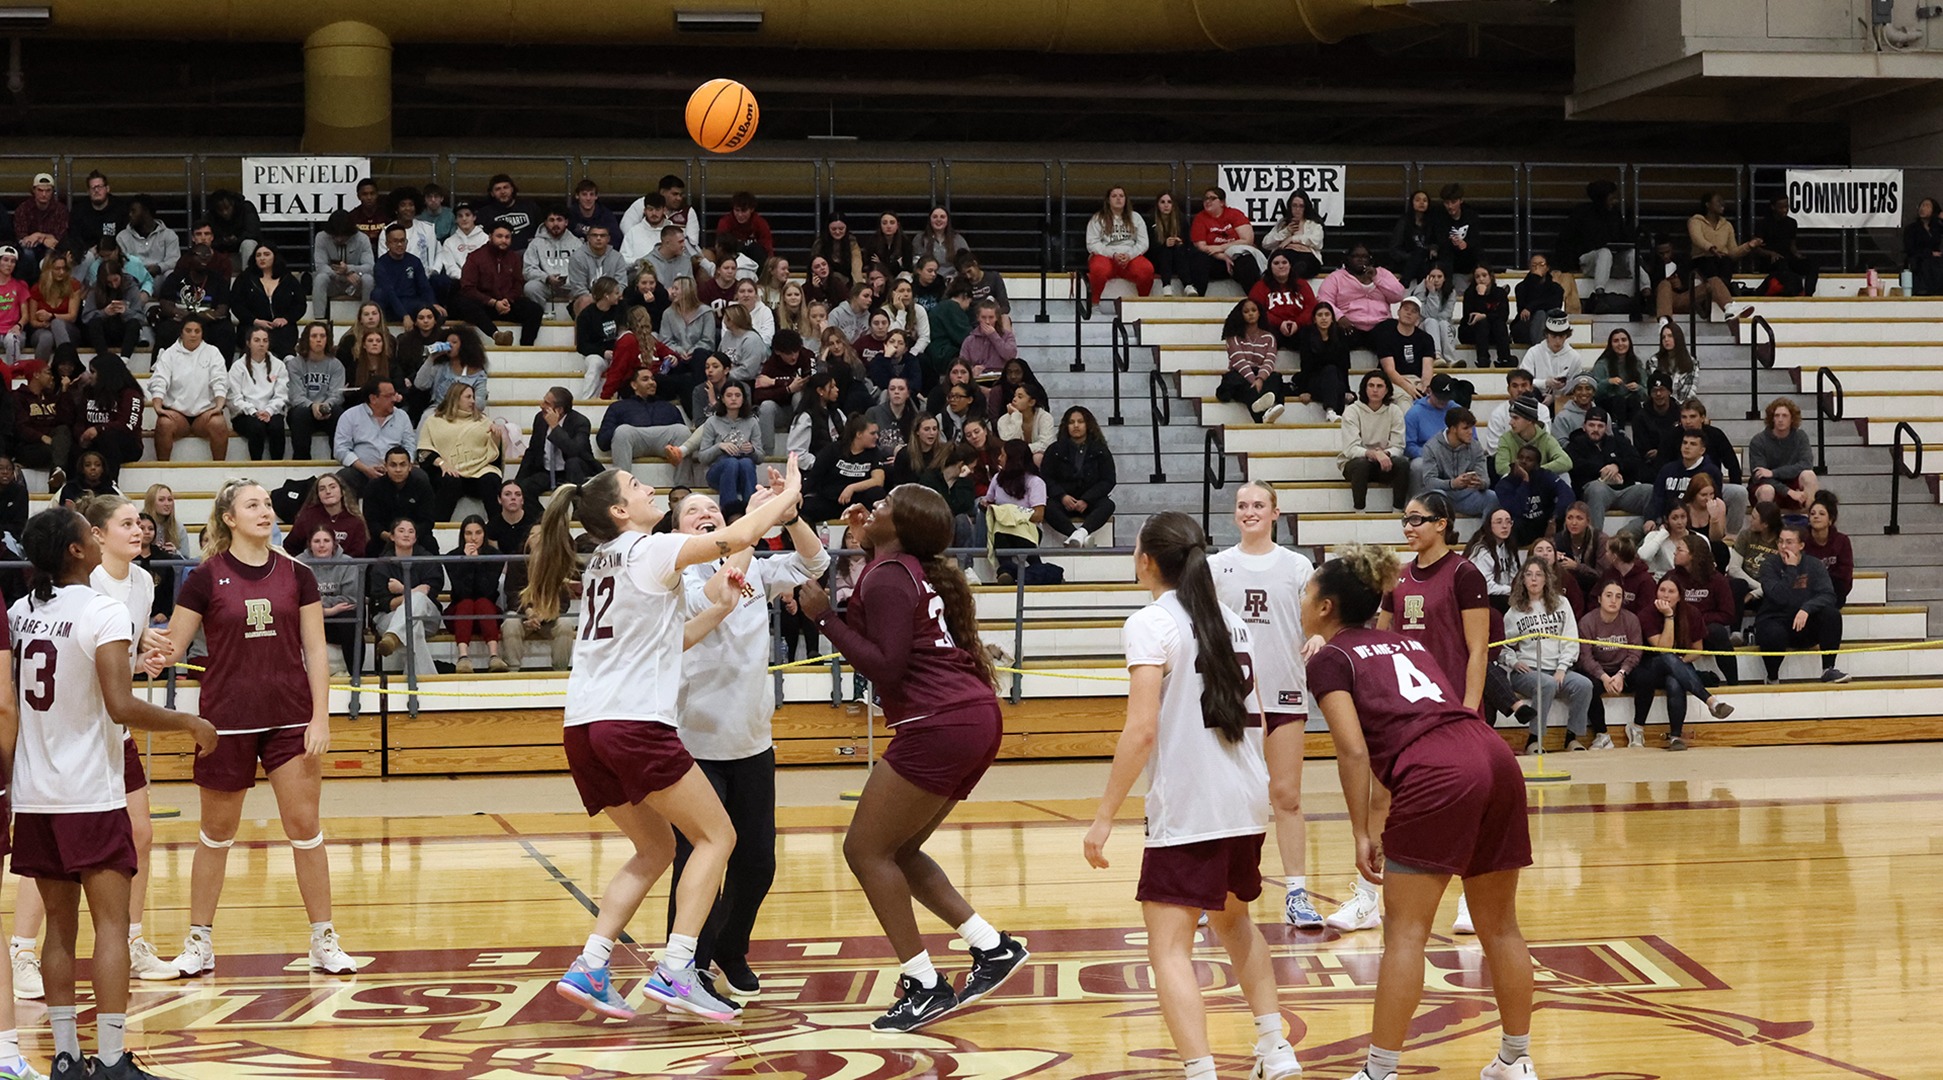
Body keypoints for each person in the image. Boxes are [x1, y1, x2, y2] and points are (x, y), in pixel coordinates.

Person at [523, 460, 801, 1022]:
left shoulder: (605, 560)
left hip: (583, 727)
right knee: (718, 837)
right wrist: (789, 494)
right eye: (635, 485)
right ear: (620, 511)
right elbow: (741, 536)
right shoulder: (646, 547)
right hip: (633, 723)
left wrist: (721, 608)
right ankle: (677, 969)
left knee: (656, 849)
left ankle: (592, 964)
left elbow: (670, 640)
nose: (648, 487)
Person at [787, 482, 1027, 1031]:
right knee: (899, 851)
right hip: (970, 717)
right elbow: (889, 636)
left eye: (886, 505)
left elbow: (887, 667)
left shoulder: (891, 576)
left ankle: (923, 983)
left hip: (938, 723)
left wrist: (824, 618)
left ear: (904, 526)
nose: (874, 507)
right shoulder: (900, 569)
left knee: (864, 851)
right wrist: (865, 543)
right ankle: (991, 948)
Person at [1303, 543, 1536, 1080]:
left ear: (1325, 608)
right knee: (1500, 926)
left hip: (1439, 772)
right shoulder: (1406, 644)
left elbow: (1354, 750)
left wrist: (1361, 830)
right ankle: (1515, 1061)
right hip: (1494, 756)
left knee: (1404, 933)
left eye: (1306, 592)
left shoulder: (1330, 659)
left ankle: (1378, 1072)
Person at [1078, 510, 1296, 1080]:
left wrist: (1103, 817)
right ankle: (1277, 1050)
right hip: (1246, 799)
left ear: (1147, 560)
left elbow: (1141, 729)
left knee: (1169, 948)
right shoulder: (1230, 620)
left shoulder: (1152, 622)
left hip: (1194, 806)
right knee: (1234, 923)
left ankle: (1200, 1071)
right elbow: (1265, 719)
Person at [9, 506, 216, 1080]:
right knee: (111, 927)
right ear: (76, 549)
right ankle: (115, 1058)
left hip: (34, 791)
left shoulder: (22, 611)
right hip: (89, 794)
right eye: (86, 530)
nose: (97, 538)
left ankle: (67, 1059)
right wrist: (191, 725)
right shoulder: (101, 610)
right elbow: (120, 706)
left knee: (57, 929)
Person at [157, 481, 354, 980]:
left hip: (291, 719)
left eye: (267, 504)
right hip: (225, 722)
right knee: (216, 835)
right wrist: (139, 645)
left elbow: (316, 652)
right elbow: (172, 648)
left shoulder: (298, 574)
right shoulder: (204, 577)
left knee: (305, 830)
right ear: (228, 517)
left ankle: (323, 939)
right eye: (253, 505)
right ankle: (199, 942)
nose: (265, 511)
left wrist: (322, 717)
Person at [666, 489, 829, 996]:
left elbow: (815, 561)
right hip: (695, 745)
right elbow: (714, 596)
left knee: (758, 862)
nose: (706, 515)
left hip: (753, 741)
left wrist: (792, 514)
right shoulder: (675, 575)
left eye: (713, 510)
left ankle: (728, 947)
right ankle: (686, 963)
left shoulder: (755, 565)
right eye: (694, 511)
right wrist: (755, 525)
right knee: (696, 862)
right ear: (677, 529)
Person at [1203, 484, 1327, 931]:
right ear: (1234, 514)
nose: (1250, 511)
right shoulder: (1216, 566)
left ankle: (1297, 893)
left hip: (1285, 694)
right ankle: (1211, 891)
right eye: (1242, 506)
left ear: (1276, 511)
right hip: (1231, 702)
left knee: (1286, 797)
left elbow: (1318, 617)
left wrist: (1317, 635)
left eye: (1258, 505)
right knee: (1226, 798)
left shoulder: (1297, 565)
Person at [1502, 558, 1591, 752]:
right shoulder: (1513, 612)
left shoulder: (1562, 604)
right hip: (1527, 672)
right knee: (1546, 683)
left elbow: (1570, 638)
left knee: (1584, 685)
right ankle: (1534, 740)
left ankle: (1571, 738)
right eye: (1529, 574)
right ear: (1523, 580)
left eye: (1539, 574)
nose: (1533, 579)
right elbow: (1502, 646)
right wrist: (1513, 661)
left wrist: (1562, 668)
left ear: (1546, 579)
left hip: (1558, 670)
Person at [1640, 576, 1737, 750]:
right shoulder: (1647, 614)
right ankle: (1711, 702)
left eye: (1671, 591)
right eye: (1662, 590)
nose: (1665, 595)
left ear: (1679, 596)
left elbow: (1697, 649)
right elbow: (1663, 649)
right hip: (1651, 668)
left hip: (1678, 667)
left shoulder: (1691, 613)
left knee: (1674, 680)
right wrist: (1669, 616)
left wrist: (1680, 662)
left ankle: (1675, 738)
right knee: (1668, 658)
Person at [1755, 523, 1849, 685]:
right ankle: (1772, 677)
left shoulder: (1814, 565)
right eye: (1780, 541)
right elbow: (1779, 596)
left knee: (1832, 615)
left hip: (1804, 622)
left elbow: (1828, 595)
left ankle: (1828, 669)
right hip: (1776, 619)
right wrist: (1791, 569)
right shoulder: (1769, 565)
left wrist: (1806, 608)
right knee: (1773, 633)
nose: (1784, 546)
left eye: (1789, 542)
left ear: (1801, 545)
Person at [147, 316, 231, 461]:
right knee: (163, 423)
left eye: (197, 331)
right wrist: (158, 407)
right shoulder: (169, 354)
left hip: (205, 414)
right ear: (181, 333)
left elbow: (220, 380)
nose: (193, 334)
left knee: (219, 423)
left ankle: (219, 469)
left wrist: (218, 406)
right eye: (189, 330)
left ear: (202, 333)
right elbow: (159, 381)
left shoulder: (213, 352)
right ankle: (162, 470)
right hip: (177, 414)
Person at [419, 384, 503, 522]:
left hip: (478, 470)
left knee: (491, 479)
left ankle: (497, 528)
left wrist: (496, 436)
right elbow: (424, 450)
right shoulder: (434, 421)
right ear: (456, 398)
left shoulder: (483, 421)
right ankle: (439, 527)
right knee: (450, 481)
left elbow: (493, 451)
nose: (473, 401)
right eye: (468, 397)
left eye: (473, 397)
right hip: (449, 470)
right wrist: (442, 463)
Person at [681, 381, 764, 518]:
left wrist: (752, 450)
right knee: (731, 462)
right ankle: (729, 513)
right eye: (729, 395)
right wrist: (719, 447)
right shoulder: (712, 422)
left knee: (746, 463)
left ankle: (752, 512)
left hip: (744, 472)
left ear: (743, 399)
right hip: (718, 473)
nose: (733, 398)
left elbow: (760, 457)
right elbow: (703, 457)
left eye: (738, 395)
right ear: (723, 399)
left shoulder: (752, 422)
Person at [455, 224, 543, 347]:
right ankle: (496, 335)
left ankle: (526, 347)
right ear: (490, 236)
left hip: (506, 304)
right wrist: (493, 302)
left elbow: (518, 283)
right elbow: (468, 288)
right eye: (499, 236)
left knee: (535, 309)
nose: (504, 240)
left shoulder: (514, 257)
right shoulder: (475, 257)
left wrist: (507, 300)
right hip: (484, 305)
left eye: (507, 237)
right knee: (464, 302)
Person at [1667, 531, 1738, 683]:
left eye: (1680, 550)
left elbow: (1728, 614)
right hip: (1679, 629)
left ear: (1693, 555)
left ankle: (1734, 683)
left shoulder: (1716, 579)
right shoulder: (1671, 577)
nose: (1674, 552)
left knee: (1717, 632)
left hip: (1706, 630)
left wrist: (1698, 619)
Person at [440, 515, 507, 674]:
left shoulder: (495, 556)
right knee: (467, 603)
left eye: (478, 533)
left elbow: (487, 591)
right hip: (460, 614)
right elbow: (463, 592)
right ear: (462, 536)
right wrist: (467, 563)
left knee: (482, 602)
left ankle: (494, 656)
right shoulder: (451, 557)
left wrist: (478, 562)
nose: (474, 538)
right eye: (468, 533)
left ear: (484, 534)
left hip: (487, 612)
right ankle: (463, 657)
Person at [1566, 406, 1650, 532]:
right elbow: (1576, 465)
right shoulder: (1575, 445)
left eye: (1600, 426)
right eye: (1591, 425)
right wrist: (1603, 470)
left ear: (1606, 428)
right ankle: (1595, 540)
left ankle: (1640, 533)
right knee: (1597, 489)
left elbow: (1635, 460)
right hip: (1594, 493)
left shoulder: (1618, 442)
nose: (1595, 429)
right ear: (1584, 426)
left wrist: (1616, 466)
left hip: (1623, 491)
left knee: (1649, 490)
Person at [1040, 406, 1115, 546]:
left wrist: (1087, 499)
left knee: (1108, 505)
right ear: (1066, 426)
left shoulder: (1100, 450)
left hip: (1090, 500)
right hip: (1064, 500)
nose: (1076, 425)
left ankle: (1082, 533)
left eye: (1080, 421)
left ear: (1088, 424)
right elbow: (1046, 477)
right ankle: (1075, 535)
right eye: (1071, 422)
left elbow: (1108, 480)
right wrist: (1062, 496)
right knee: (1048, 507)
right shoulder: (1054, 450)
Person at [1686, 192, 1761, 330]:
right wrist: (1711, 248)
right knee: (1711, 265)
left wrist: (1748, 246)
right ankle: (1727, 305)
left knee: (1726, 262)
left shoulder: (1727, 225)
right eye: (1718, 201)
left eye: (1723, 201)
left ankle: (1723, 302)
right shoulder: (1695, 221)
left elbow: (1732, 252)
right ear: (1707, 205)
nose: (1722, 204)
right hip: (1702, 259)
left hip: (1721, 261)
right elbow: (1697, 238)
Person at [1338, 372, 1408, 512]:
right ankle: (1359, 511)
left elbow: (1398, 446)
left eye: (1379, 386)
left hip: (1384, 463)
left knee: (1403, 463)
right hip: (1356, 464)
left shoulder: (1395, 411)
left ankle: (1398, 510)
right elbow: (1351, 448)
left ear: (1387, 390)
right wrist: (1375, 454)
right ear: (1364, 388)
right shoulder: (1352, 411)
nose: (1375, 390)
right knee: (1361, 464)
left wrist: (1385, 454)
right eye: (1371, 385)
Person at [73, 351, 144, 487]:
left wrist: (99, 429)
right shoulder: (88, 392)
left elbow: (128, 425)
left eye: (93, 372)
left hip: (126, 444)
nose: (90, 377)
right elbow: (79, 420)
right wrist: (81, 435)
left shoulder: (130, 394)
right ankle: (72, 488)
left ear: (105, 374)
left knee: (107, 438)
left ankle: (110, 486)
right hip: (92, 441)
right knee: (73, 443)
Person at [333, 379, 415, 495]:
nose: (394, 399)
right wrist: (365, 469)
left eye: (394, 394)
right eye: (388, 396)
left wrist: (402, 466)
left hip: (396, 472)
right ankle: (352, 513)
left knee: (420, 477)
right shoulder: (350, 416)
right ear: (373, 398)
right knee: (344, 476)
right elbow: (341, 449)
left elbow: (409, 445)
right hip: (361, 471)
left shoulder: (402, 416)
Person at [515, 387, 599, 500]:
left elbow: (574, 451)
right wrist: (517, 482)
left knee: (573, 463)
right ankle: (543, 516)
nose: (541, 405)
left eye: (546, 403)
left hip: (573, 471)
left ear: (559, 410)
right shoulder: (540, 418)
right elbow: (532, 451)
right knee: (525, 488)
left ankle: (578, 511)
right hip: (547, 471)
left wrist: (555, 427)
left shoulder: (580, 422)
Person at [1555, 179, 1633, 297]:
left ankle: (1646, 292)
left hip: (1613, 262)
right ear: (1602, 199)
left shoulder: (1615, 215)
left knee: (1632, 253)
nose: (1614, 202)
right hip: (1589, 262)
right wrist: (1569, 266)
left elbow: (1623, 239)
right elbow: (1566, 241)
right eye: (1611, 199)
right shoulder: (1581, 214)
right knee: (1604, 252)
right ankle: (1599, 293)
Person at [1415, 406, 1498, 518]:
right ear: (1453, 429)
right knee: (1436, 498)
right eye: (1465, 428)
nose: (1470, 432)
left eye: (1471, 428)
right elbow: (1429, 481)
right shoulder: (1431, 447)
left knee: (1492, 497)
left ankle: (1485, 534)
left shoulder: (1476, 446)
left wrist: (1480, 483)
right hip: (1443, 495)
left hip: (1467, 496)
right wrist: (1452, 483)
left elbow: (1486, 480)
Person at [802, 415, 886, 524]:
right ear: (859, 434)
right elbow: (814, 477)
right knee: (804, 506)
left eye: (877, 433)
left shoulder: (875, 453)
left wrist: (851, 488)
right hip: (831, 501)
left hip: (858, 504)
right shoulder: (833, 450)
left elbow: (878, 481)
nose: (877, 437)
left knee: (877, 493)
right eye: (872, 433)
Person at [229, 243, 305, 357]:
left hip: (281, 328)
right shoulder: (244, 279)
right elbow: (236, 304)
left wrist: (286, 319)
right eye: (258, 255)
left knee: (284, 346)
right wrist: (255, 321)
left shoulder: (288, 279)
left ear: (275, 256)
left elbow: (300, 304)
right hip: (251, 326)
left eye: (266, 254)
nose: (262, 258)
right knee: (253, 338)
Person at [1315, 243, 1405, 338]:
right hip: (1349, 324)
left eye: (1365, 257)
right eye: (1355, 256)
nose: (1360, 260)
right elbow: (1324, 299)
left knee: (1393, 330)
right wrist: (1339, 317)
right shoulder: (1336, 277)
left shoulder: (1383, 274)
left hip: (1380, 323)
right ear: (1348, 259)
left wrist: (1377, 278)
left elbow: (1398, 295)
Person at [1368, 295, 1446, 402]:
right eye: (1406, 309)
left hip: (1417, 380)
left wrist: (1424, 387)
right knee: (1404, 399)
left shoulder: (1426, 339)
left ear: (1418, 317)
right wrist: (1408, 387)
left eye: (1414, 311)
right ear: (1398, 312)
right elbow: (1390, 370)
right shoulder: (1386, 337)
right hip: (1394, 381)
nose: (1409, 313)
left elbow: (1427, 370)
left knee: (1429, 400)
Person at [226, 327, 289, 461]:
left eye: (265, 341)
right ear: (248, 343)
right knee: (256, 427)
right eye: (257, 340)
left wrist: (269, 411)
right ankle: (256, 465)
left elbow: (282, 394)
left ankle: (278, 465)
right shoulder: (238, 367)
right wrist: (253, 411)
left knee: (277, 427)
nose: (261, 344)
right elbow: (234, 397)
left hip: (271, 411)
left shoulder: (278, 365)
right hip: (244, 414)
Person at [1187, 188, 1264, 295]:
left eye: (1212, 198)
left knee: (1247, 262)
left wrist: (1221, 248)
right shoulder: (1200, 218)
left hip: (1235, 258)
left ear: (1222, 202)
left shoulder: (1234, 214)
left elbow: (1248, 240)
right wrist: (1223, 256)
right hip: (1215, 259)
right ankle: (1198, 297)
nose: (1208, 201)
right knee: (1199, 257)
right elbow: (1201, 246)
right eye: (1205, 199)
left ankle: (1256, 299)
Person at [1084, 186, 1154, 305]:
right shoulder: (1098, 218)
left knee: (1147, 270)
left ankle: (1143, 303)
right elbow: (1092, 243)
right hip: (1106, 257)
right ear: (1108, 200)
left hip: (1130, 257)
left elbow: (1143, 243)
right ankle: (1094, 303)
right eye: (1114, 196)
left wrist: (1129, 255)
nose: (1118, 199)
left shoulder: (1135, 217)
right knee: (1098, 269)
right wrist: (1113, 254)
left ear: (1126, 199)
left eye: (1121, 196)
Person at [285, 324, 345, 460]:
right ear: (307, 339)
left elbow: (337, 394)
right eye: (314, 336)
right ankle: (301, 461)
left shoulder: (336, 365)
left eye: (322, 336)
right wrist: (313, 406)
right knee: (299, 414)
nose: (318, 340)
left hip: (327, 409)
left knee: (339, 413)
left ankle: (337, 460)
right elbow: (295, 396)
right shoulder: (295, 364)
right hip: (304, 410)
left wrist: (324, 406)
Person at [1746, 396, 1817, 509]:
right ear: (1772, 418)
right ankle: (1765, 525)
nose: (1780, 419)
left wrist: (1773, 472)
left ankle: (1812, 521)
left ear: (1792, 419)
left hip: (1792, 482)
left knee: (1809, 475)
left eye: (1784, 416)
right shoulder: (1758, 440)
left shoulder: (1800, 437)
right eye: (1776, 415)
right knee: (1766, 490)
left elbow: (1806, 464)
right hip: (1768, 486)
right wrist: (1788, 491)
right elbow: (1760, 476)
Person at [284, 472, 368, 558]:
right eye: (322, 489)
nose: (328, 492)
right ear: (318, 495)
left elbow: (358, 556)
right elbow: (289, 547)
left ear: (342, 492)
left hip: (344, 569)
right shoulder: (307, 517)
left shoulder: (355, 521)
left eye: (332, 487)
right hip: (310, 568)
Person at [310, 210, 373, 320]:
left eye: (343, 236)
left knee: (368, 279)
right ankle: (319, 320)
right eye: (335, 235)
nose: (339, 239)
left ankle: (365, 318)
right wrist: (343, 275)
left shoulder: (362, 239)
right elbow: (320, 266)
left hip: (354, 283)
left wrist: (350, 269)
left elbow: (370, 266)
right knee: (320, 278)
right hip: (334, 282)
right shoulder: (321, 237)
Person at [1753, 193, 1819, 296]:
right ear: (1773, 207)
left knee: (1812, 263)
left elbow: (1792, 245)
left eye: (1786, 206)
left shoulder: (1792, 223)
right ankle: (1792, 291)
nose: (1785, 210)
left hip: (1788, 258)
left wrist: (1798, 255)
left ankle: (1808, 294)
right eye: (1781, 207)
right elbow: (1756, 248)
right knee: (1783, 265)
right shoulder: (1763, 223)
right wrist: (1770, 253)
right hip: (1771, 261)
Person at [1295, 302, 1352, 419]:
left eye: (1327, 314)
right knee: (1331, 372)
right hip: (1314, 381)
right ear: (1314, 319)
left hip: (1335, 380)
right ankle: (1331, 410)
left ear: (1332, 318)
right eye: (1320, 315)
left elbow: (1344, 365)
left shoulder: (1340, 334)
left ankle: (1332, 412)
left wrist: (1348, 389)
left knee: (1337, 381)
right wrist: (1304, 390)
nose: (1324, 318)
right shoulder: (1307, 334)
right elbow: (1305, 364)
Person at [1494, 394, 1570, 479]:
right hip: (1516, 482)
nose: (1510, 422)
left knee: (1564, 475)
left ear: (1529, 420)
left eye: (1516, 418)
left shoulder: (1545, 438)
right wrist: (1523, 473)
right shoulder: (1506, 438)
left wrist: (1536, 471)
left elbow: (1566, 462)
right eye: (1511, 418)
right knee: (1505, 477)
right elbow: (1501, 467)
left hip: (1540, 481)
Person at [1457, 265, 1513, 368]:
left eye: (1484, 275)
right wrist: (1480, 296)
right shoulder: (1470, 293)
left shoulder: (1499, 293)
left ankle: (1504, 359)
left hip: (1494, 332)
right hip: (1471, 332)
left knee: (1498, 324)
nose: (1481, 279)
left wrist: (1485, 316)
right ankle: (1483, 359)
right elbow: (1470, 317)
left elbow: (1503, 315)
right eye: (1477, 277)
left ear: (1490, 276)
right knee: (1482, 323)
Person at [1520, 311, 1583, 402]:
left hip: (1563, 402)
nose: (1557, 341)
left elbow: (1576, 385)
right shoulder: (1533, 352)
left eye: (1561, 336)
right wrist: (1545, 383)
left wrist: (1554, 396)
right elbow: (1523, 382)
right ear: (1546, 335)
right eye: (1553, 336)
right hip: (1536, 400)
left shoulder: (1574, 357)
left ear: (1567, 335)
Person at [1588, 328, 1645, 427]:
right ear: (1611, 344)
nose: (1620, 344)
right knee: (1618, 400)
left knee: (1634, 401)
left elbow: (1646, 391)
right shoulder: (1602, 364)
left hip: (1629, 405)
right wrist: (1608, 382)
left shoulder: (1636, 363)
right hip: (1608, 405)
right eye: (1616, 341)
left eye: (1624, 340)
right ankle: (1619, 432)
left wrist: (1638, 388)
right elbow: (1594, 391)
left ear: (1629, 342)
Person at [1804, 491, 1854, 603]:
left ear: (1830, 520)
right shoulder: (1801, 540)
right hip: (1807, 593)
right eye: (1812, 514)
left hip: (1834, 593)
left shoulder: (1842, 541)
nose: (1816, 516)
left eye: (1821, 514)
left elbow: (1845, 575)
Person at [1407, 264, 1458, 363]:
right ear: (1427, 278)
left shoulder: (1451, 292)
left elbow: (1447, 315)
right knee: (1431, 321)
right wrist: (1432, 293)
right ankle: (1436, 355)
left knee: (1443, 324)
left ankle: (1450, 359)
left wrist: (1438, 322)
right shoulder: (1420, 290)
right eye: (1432, 276)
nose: (1436, 280)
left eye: (1439, 277)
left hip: (1443, 326)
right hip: (1423, 327)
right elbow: (1427, 314)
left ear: (1444, 278)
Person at [1511, 255, 1564, 346]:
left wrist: (1531, 307)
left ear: (1547, 268)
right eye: (1534, 265)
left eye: (1541, 264)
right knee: (1539, 314)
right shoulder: (1521, 287)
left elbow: (1554, 304)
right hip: (1526, 326)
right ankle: (1540, 350)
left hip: (1548, 326)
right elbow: (1522, 310)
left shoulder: (1556, 288)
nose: (1537, 268)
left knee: (1552, 313)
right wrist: (1535, 279)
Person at [1905, 197, 1943, 296]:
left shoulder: (1938, 227)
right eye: (1922, 205)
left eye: (1927, 206)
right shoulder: (1911, 229)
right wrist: (1929, 253)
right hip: (1919, 261)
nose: (1923, 208)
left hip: (1936, 263)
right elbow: (1910, 249)